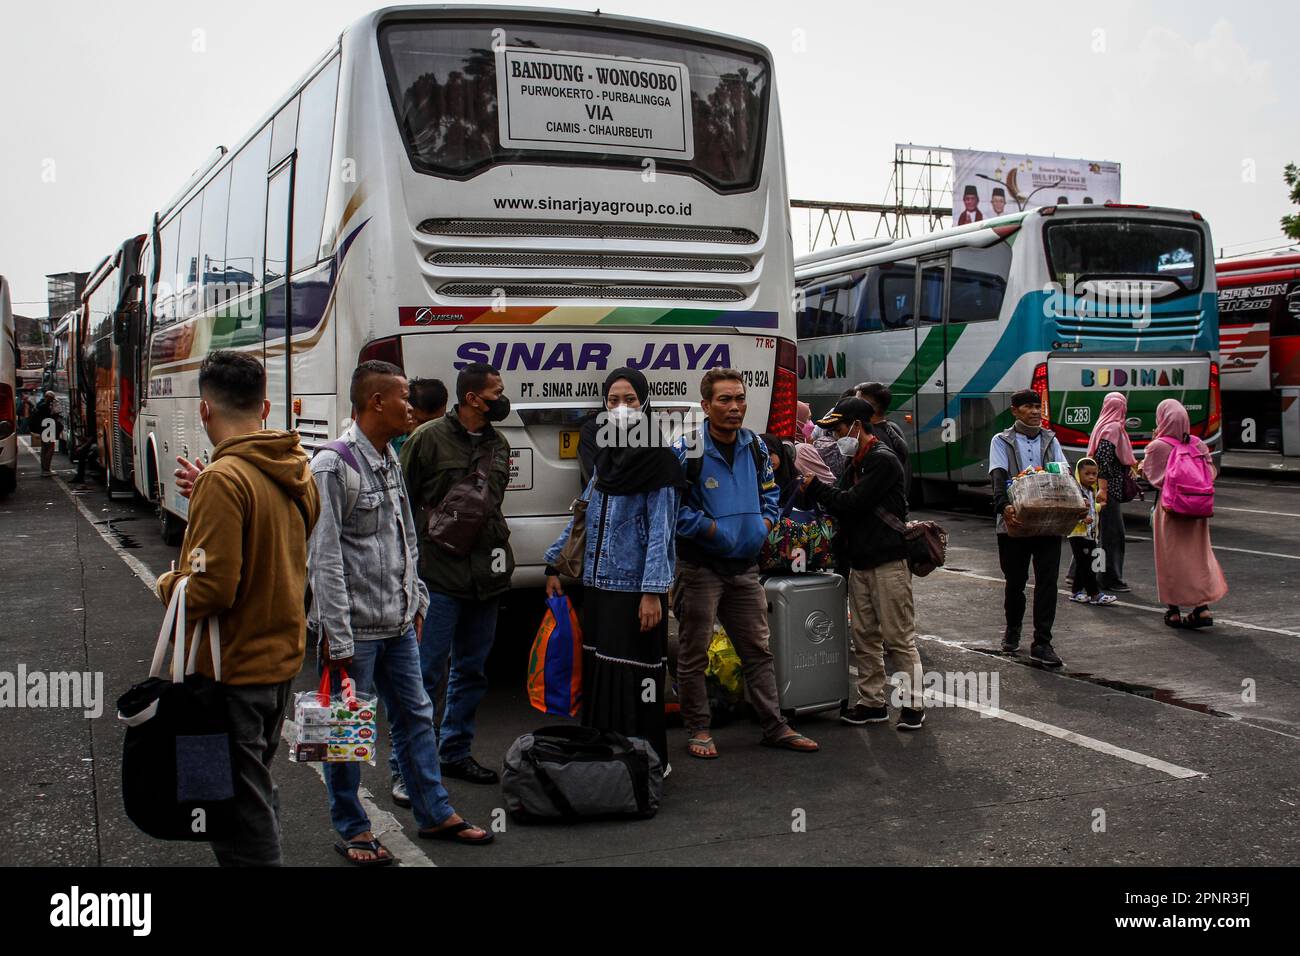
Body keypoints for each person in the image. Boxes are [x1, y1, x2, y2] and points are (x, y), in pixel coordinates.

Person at [310, 360, 492, 864]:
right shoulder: (332, 465)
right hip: (355, 631)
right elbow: (322, 556)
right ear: (375, 402)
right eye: (403, 397)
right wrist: (337, 635)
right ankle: (353, 828)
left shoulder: (390, 455)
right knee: (347, 730)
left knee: (415, 716)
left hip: (396, 623)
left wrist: (416, 598)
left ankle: (435, 813)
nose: (410, 406)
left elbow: (406, 535)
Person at [154, 351, 321, 866]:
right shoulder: (295, 468)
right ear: (265, 405)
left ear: (204, 410)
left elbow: (210, 591)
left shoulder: (226, 480)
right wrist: (207, 484)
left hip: (229, 674)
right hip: (278, 663)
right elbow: (271, 541)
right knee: (251, 787)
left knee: (234, 812)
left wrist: (168, 581)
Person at [670, 368, 820, 759]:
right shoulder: (686, 449)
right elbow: (671, 509)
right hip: (700, 568)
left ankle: (774, 726)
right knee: (693, 654)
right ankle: (699, 729)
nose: (735, 407)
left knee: (758, 651)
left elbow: (770, 494)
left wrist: (764, 525)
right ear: (705, 405)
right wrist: (711, 532)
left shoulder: (754, 446)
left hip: (744, 568)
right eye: (724, 399)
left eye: (739, 399)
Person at [544, 368, 683, 766]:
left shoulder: (660, 457)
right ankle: (610, 757)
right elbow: (582, 516)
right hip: (598, 585)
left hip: (634, 590)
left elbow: (662, 532)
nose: (621, 409)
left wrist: (653, 591)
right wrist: (554, 563)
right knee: (602, 673)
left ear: (645, 403)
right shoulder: (606, 458)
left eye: (630, 400)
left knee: (637, 676)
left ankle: (648, 759)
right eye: (613, 401)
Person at [400, 362, 514, 787]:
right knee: (427, 673)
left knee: (472, 670)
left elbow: (491, 498)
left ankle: (454, 752)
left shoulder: (498, 444)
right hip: (439, 574)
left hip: (487, 572)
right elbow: (402, 501)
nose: (501, 400)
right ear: (471, 398)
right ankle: (415, 765)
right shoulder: (426, 440)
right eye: (495, 393)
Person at [802, 398, 925, 730]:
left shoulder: (882, 461)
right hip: (860, 562)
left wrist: (815, 488)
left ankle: (913, 704)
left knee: (898, 637)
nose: (837, 435)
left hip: (888, 561)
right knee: (865, 637)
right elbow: (840, 501)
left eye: (840, 429)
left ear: (857, 425)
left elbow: (851, 504)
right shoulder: (854, 462)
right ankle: (872, 702)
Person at [989, 388, 1070, 667]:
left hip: (1048, 522)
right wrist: (1004, 508)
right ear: (1014, 410)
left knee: (1047, 583)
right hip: (1015, 522)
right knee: (1015, 581)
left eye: (1038, 407)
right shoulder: (1001, 441)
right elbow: (998, 477)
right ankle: (1013, 630)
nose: (1035, 411)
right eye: (1028, 407)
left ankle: (1042, 642)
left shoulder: (1050, 439)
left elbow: (1063, 473)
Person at [1140, 399, 1228, 629]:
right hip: (1197, 511)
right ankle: (1202, 608)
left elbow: (1152, 477)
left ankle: (1174, 611)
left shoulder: (1158, 446)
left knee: (1170, 559)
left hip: (1170, 510)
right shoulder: (1198, 445)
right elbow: (1211, 473)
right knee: (1198, 557)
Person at [1085, 391, 1137, 592]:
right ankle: (1109, 578)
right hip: (1108, 490)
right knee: (1112, 535)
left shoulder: (1101, 424)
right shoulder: (1114, 427)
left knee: (1094, 532)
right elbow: (1104, 459)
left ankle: (1078, 573)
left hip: (1098, 487)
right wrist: (1104, 489)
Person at [1067, 458, 1117, 607]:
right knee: (1088, 565)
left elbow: (1092, 508)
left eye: (1094, 474)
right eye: (1087, 474)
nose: (1091, 477)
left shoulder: (1091, 490)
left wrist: (1099, 506)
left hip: (1090, 534)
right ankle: (1094, 594)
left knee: (1085, 563)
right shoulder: (1076, 491)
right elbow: (1073, 509)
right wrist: (1082, 519)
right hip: (1078, 533)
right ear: (1078, 474)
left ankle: (1076, 591)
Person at [855, 381, 910, 498]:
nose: (853, 406)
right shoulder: (893, 428)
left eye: (857, 402)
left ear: (867, 407)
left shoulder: (871, 436)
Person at [391, 377, 447, 455]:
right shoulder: (389, 438)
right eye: (423, 422)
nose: (431, 428)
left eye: (438, 422)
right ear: (408, 408)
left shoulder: (451, 439)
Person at [30, 390, 59, 475]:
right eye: (51, 398)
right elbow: (51, 417)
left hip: (43, 430)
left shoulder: (39, 405)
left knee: (44, 449)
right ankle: (46, 469)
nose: (52, 400)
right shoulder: (45, 406)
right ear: (49, 398)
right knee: (50, 449)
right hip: (48, 429)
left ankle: (44, 469)